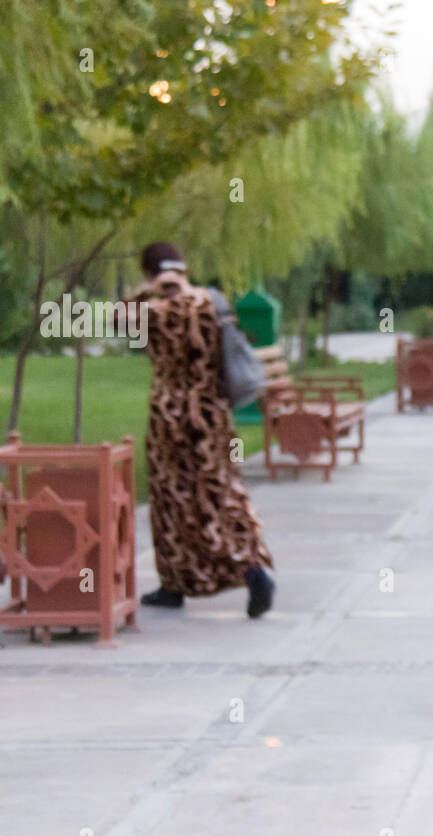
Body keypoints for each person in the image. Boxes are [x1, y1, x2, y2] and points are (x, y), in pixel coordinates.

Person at [127, 242, 276, 618]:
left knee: (171, 498)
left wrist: (149, 291)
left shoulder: (153, 310)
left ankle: (173, 584)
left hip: (169, 417)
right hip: (211, 415)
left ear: (150, 273)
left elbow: (116, 318)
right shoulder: (213, 301)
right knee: (223, 490)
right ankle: (253, 568)